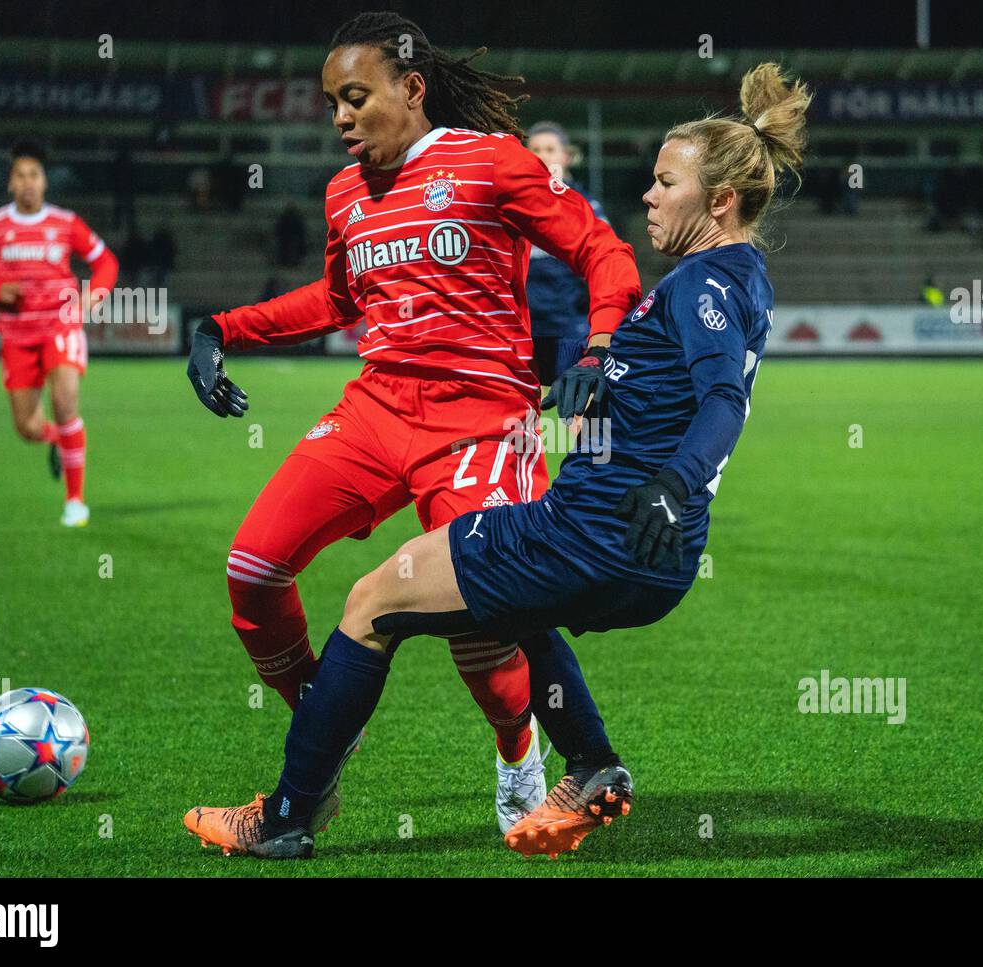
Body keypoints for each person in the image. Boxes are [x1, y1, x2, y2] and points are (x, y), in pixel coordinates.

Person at [183, 61, 809, 860]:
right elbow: (678, 391)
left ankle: (286, 816)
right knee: (500, 613)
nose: (647, 196)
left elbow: (722, 399)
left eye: (664, 182)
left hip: (594, 529)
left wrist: (671, 485)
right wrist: (593, 381)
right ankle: (590, 764)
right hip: (653, 555)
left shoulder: (701, 282)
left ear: (719, 201)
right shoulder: (738, 279)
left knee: (374, 601)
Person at [183, 12, 640, 835]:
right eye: (332, 104)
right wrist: (223, 327)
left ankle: (518, 750)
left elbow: (602, 249)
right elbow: (334, 301)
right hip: (376, 410)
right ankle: (327, 726)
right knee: (253, 568)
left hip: (482, 418)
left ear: (412, 88)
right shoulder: (343, 192)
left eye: (354, 97)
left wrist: (600, 344)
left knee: (488, 623)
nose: (340, 119)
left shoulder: (493, 162)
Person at [0, 138, 118, 528]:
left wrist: (92, 296)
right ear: (10, 184)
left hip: (60, 324)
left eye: (35, 174)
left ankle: (75, 501)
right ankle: (54, 439)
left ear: (45, 182)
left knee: (66, 403)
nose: (28, 182)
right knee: (26, 427)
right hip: (16, 335)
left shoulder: (65, 223)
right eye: (20, 175)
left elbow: (105, 262)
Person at [523, 121, 608, 385]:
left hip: (569, 324)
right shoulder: (512, 204)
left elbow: (603, 265)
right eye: (535, 149)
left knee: (577, 402)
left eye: (550, 149)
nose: (542, 155)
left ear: (566, 156)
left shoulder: (584, 205)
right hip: (524, 324)